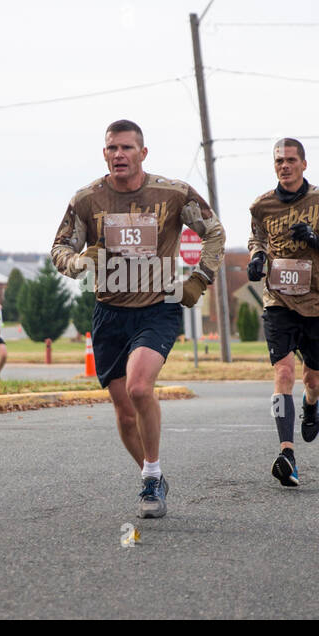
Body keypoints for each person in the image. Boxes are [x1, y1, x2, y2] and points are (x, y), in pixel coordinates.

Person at [51, 119, 224, 518]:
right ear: (105, 154)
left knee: (140, 389)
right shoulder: (87, 200)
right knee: (124, 412)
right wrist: (78, 262)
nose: (119, 155)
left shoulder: (173, 193)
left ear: (143, 153)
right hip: (109, 312)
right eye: (112, 148)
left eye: (127, 148)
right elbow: (59, 247)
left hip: (158, 306)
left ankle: (150, 479)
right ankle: (152, 474)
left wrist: (200, 277)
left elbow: (214, 232)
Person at [247, 138, 319, 487]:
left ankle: (311, 405)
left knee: (312, 378)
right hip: (278, 299)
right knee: (283, 372)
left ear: (303, 164)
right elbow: (256, 239)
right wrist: (257, 258)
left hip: (317, 301)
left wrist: (317, 241)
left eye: (291, 160)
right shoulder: (261, 206)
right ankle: (287, 454)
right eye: (279, 160)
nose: (285, 165)